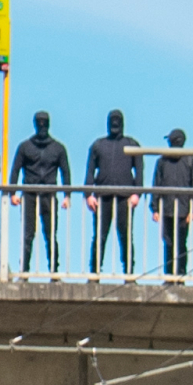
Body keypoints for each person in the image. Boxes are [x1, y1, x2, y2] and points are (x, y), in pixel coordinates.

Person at [8, 111, 70, 273]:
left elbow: (65, 172)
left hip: (49, 195)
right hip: (29, 195)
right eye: (39, 122)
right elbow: (15, 169)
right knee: (28, 235)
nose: (42, 125)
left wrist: (67, 195)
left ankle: (54, 272)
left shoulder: (58, 148)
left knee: (50, 235)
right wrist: (12, 193)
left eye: (44, 122)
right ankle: (24, 271)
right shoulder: (25, 147)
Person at [85, 110, 144, 276]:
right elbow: (89, 171)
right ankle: (94, 272)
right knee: (99, 236)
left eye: (118, 120)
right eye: (113, 120)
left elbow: (139, 170)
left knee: (125, 236)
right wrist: (89, 194)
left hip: (125, 198)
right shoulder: (98, 145)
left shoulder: (132, 144)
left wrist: (137, 193)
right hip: (102, 198)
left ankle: (129, 273)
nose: (115, 124)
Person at [150, 129, 193, 279]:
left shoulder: (163, 161)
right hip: (177, 209)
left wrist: (155, 207)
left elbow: (156, 185)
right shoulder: (190, 161)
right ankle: (176, 274)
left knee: (173, 243)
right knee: (176, 243)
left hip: (173, 209)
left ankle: (174, 274)